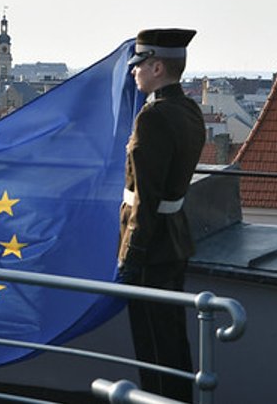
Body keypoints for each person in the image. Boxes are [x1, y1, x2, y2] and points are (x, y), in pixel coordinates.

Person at [116, 28, 205, 402]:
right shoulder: (188, 110)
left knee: (153, 350)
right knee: (173, 343)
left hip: (150, 250)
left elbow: (145, 201)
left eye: (139, 65)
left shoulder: (152, 118)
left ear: (156, 67)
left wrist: (130, 257)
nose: (133, 71)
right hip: (174, 240)